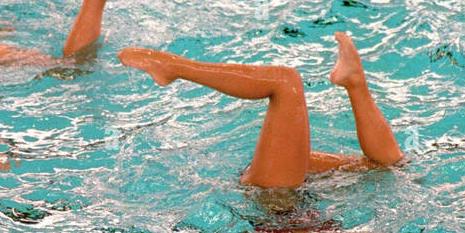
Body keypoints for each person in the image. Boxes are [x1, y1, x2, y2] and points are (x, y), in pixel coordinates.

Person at [117, 32, 405, 187]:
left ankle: (174, 67)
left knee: (285, 82)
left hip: (272, 199)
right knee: (388, 165)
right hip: (289, 193)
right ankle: (355, 84)